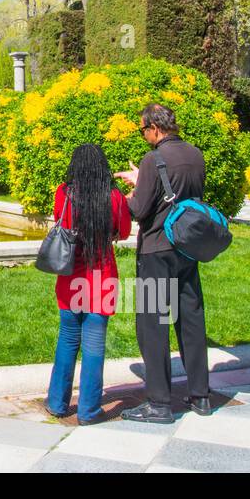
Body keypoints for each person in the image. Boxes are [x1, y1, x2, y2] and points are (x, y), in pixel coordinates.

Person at [115, 103, 211, 424]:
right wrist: (145, 180)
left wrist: (133, 188)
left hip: (157, 250)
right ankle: (201, 395)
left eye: (143, 130)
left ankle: (158, 403)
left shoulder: (153, 159)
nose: (144, 136)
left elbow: (139, 210)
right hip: (188, 248)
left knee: (152, 324)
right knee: (191, 318)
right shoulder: (195, 154)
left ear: (155, 128)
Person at [45, 143, 131, 424]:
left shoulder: (64, 193)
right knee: (94, 345)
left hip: (71, 277)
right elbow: (124, 231)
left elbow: (61, 220)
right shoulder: (115, 197)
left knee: (68, 340)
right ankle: (89, 409)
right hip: (102, 278)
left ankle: (57, 402)